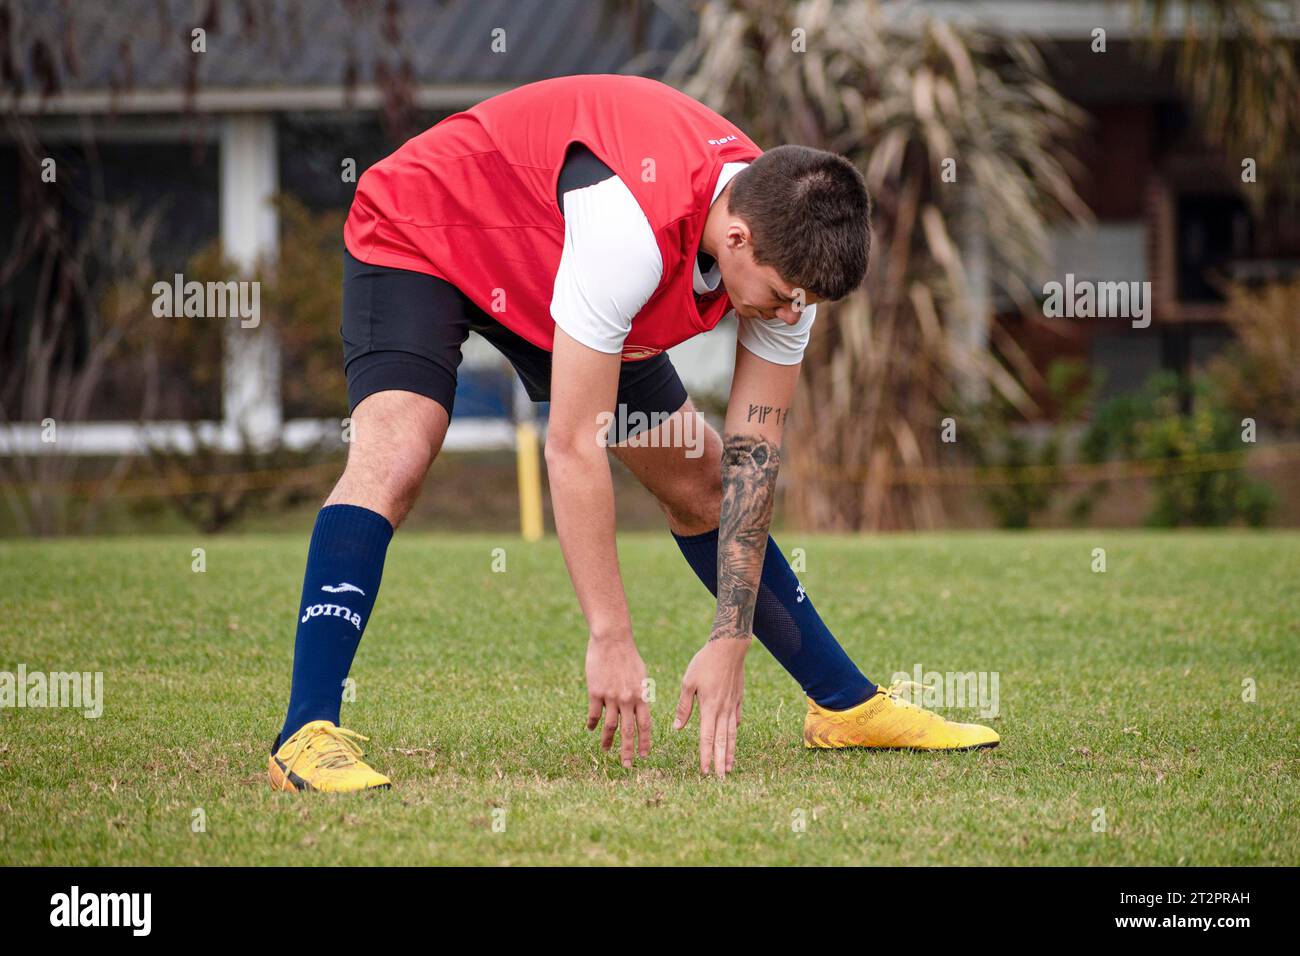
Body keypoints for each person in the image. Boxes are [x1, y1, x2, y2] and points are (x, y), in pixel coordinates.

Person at [267, 74, 997, 793]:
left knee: (700, 481)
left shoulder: (785, 259)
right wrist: (610, 636)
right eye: (778, 298)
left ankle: (845, 708)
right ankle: (306, 733)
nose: (785, 316)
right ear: (736, 238)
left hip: (554, 267)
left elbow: (751, 458)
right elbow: (572, 446)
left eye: (798, 306)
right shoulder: (628, 235)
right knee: (397, 455)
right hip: (429, 230)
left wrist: (731, 633)